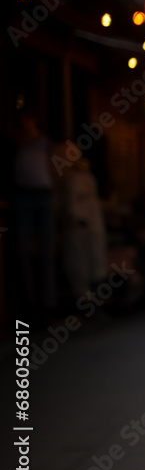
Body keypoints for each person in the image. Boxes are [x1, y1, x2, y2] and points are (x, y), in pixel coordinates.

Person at [12, 110, 57, 316]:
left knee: (46, 250)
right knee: (22, 250)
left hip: (43, 195)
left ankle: (47, 305)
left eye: (28, 118)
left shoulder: (45, 143)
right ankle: (28, 305)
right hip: (23, 195)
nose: (26, 122)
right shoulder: (15, 143)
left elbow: (55, 168)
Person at [54, 143, 108, 299]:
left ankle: (93, 301)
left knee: (93, 263)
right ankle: (85, 301)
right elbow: (68, 206)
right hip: (78, 227)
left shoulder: (86, 178)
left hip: (89, 225)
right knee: (78, 265)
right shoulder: (69, 181)